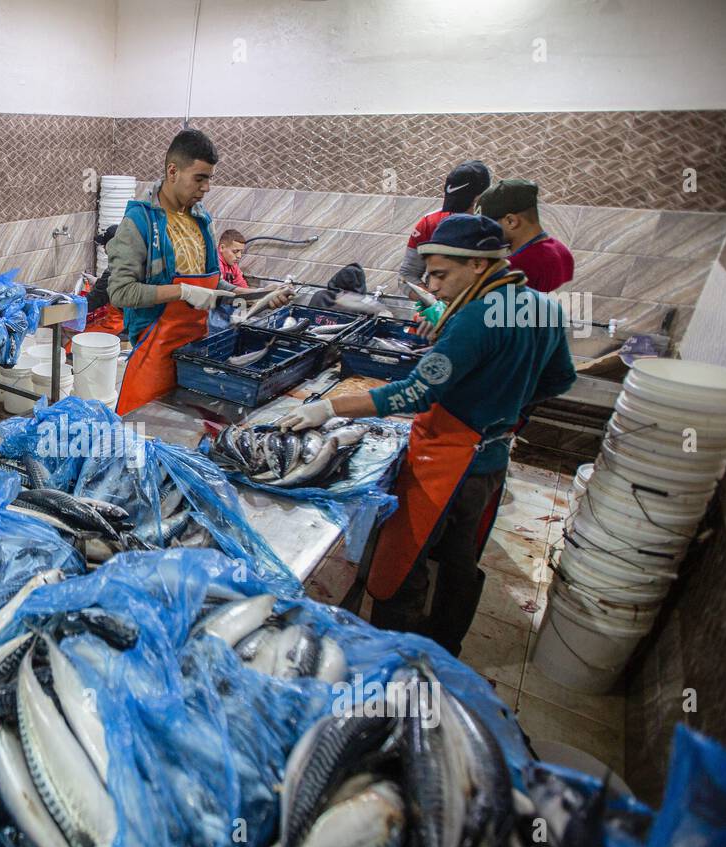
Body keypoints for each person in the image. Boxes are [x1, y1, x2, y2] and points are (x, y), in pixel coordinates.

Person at [280, 215, 576, 656]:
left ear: (478, 265)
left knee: (405, 562)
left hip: (448, 463)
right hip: (492, 459)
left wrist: (328, 407)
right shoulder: (543, 307)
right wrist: (503, 399)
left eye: (439, 274)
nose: (431, 286)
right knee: (459, 561)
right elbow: (560, 380)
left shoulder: (474, 319)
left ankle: (395, 655)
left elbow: (416, 392)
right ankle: (445, 648)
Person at [106, 129, 294, 415]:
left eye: (209, 179)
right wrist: (183, 292)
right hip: (154, 354)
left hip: (197, 351)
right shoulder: (140, 222)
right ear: (173, 171)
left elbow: (214, 284)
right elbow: (120, 292)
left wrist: (256, 296)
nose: (206, 188)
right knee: (143, 432)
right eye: (199, 178)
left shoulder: (201, 219)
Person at [397, 160, 492, 284]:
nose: (459, 215)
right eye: (454, 206)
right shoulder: (430, 224)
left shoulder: (500, 226)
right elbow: (407, 275)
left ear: (483, 197)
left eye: (467, 206)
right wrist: (432, 300)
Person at [477, 178, 575, 294]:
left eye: (488, 224)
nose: (484, 231)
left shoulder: (515, 268)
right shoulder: (562, 250)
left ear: (511, 221)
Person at [81, 225, 125, 337]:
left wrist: (63, 308)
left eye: (105, 246)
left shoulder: (114, 270)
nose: (105, 251)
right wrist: (97, 281)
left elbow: (91, 302)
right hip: (143, 322)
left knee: (72, 346)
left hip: (122, 324)